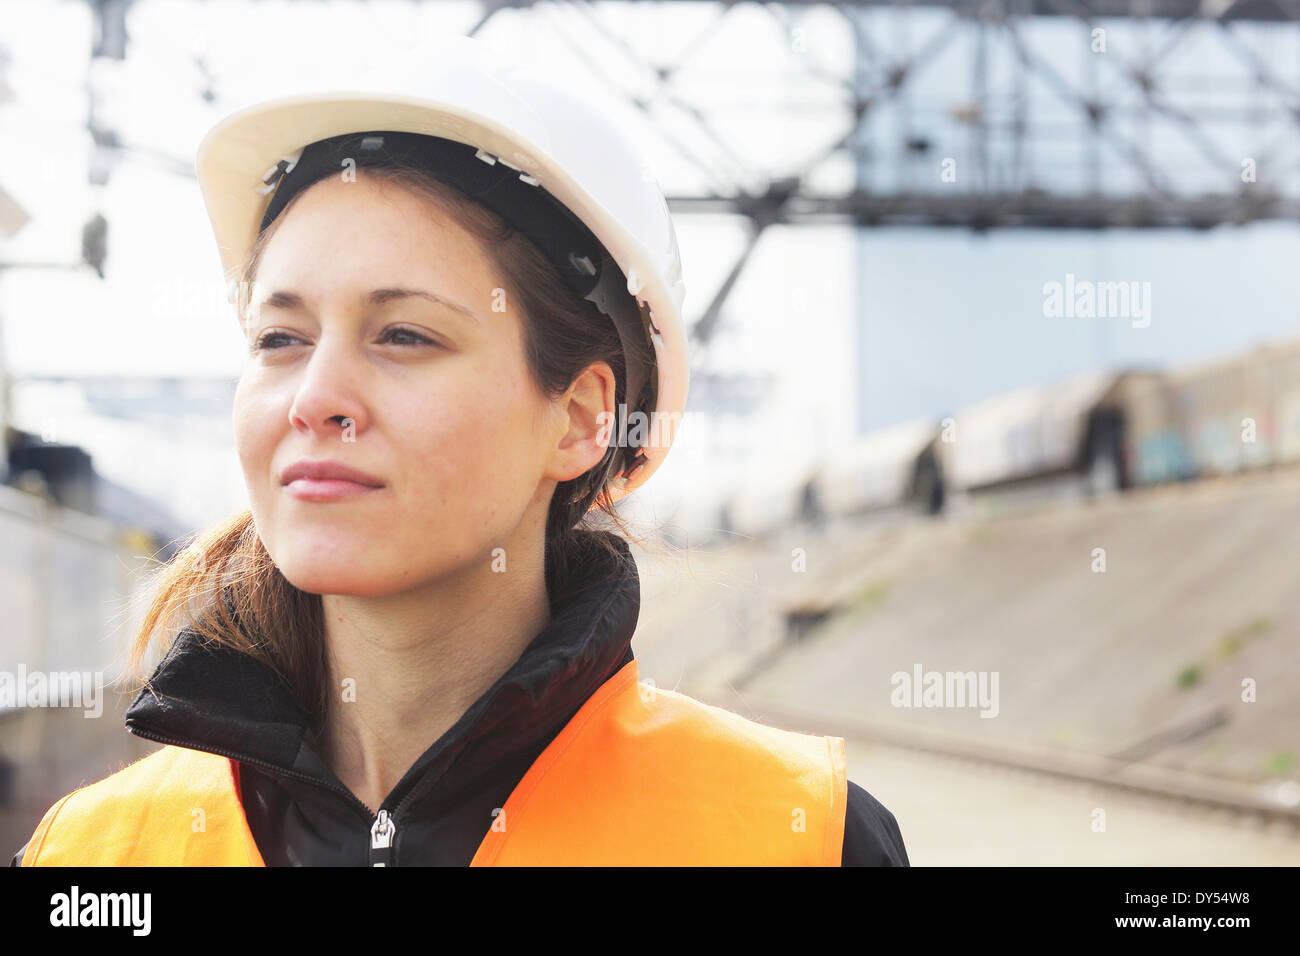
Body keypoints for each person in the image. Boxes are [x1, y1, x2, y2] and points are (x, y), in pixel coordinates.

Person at [12, 38, 908, 867]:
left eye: (403, 335)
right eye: (279, 338)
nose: (317, 398)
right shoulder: (92, 857)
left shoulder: (798, 838)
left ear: (582, 419)